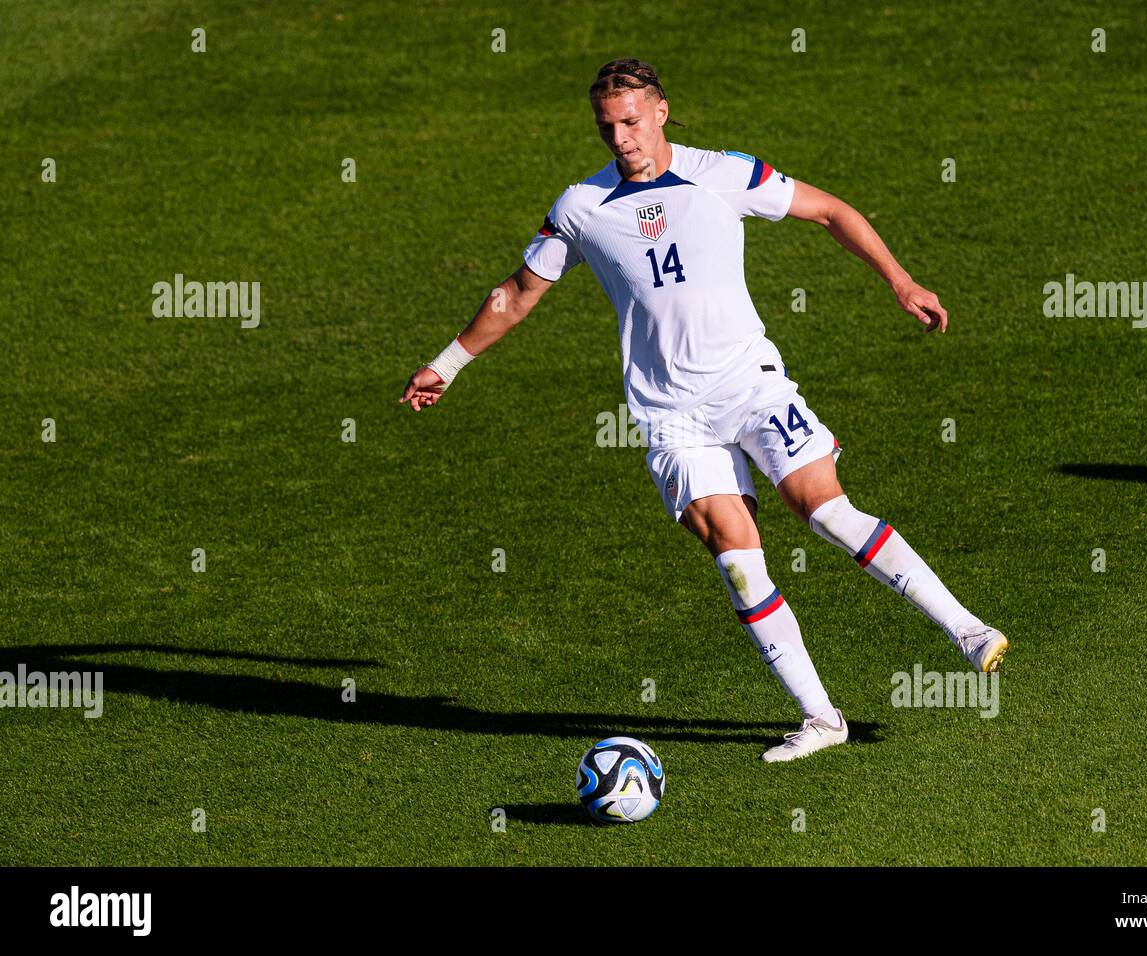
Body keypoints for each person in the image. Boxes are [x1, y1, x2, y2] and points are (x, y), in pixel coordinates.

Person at [400, 58, 1008, 762]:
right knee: (738, 560)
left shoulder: (723, 173)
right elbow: (519, 292)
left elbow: (830, 211)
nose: (620, 138)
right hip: (671, 416)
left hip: (750, 383)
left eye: (631, 121)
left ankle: (967, 630)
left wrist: (900, 282)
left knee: (823, 509)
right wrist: (446, 364)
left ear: (660, 111)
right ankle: (820, 717)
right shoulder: (581, 207)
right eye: (607, 127)